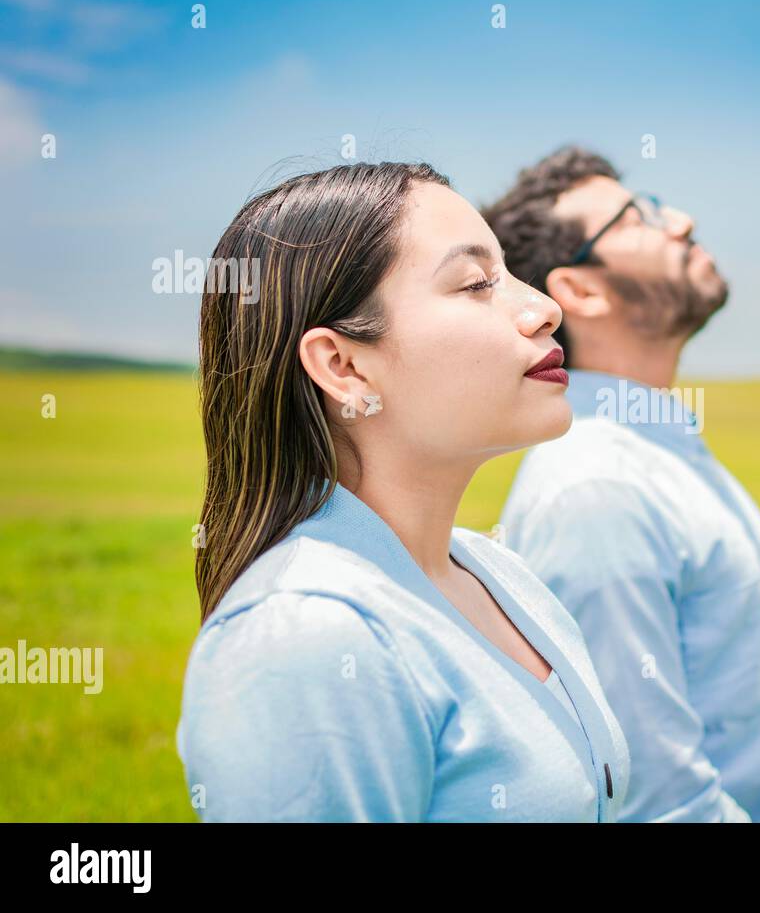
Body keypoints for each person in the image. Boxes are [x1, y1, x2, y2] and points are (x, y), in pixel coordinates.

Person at [177, 161, 629, 822]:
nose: (543, 307)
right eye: (476, 283)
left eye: (507, 273)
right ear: (344, 366)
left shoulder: (503, 575)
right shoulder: (307, 636)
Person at [485, 147, 760, 822]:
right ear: (579, 291)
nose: (683, 222)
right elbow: (654, 803)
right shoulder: (596, 484)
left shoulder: (652, 451)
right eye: (639, 218)